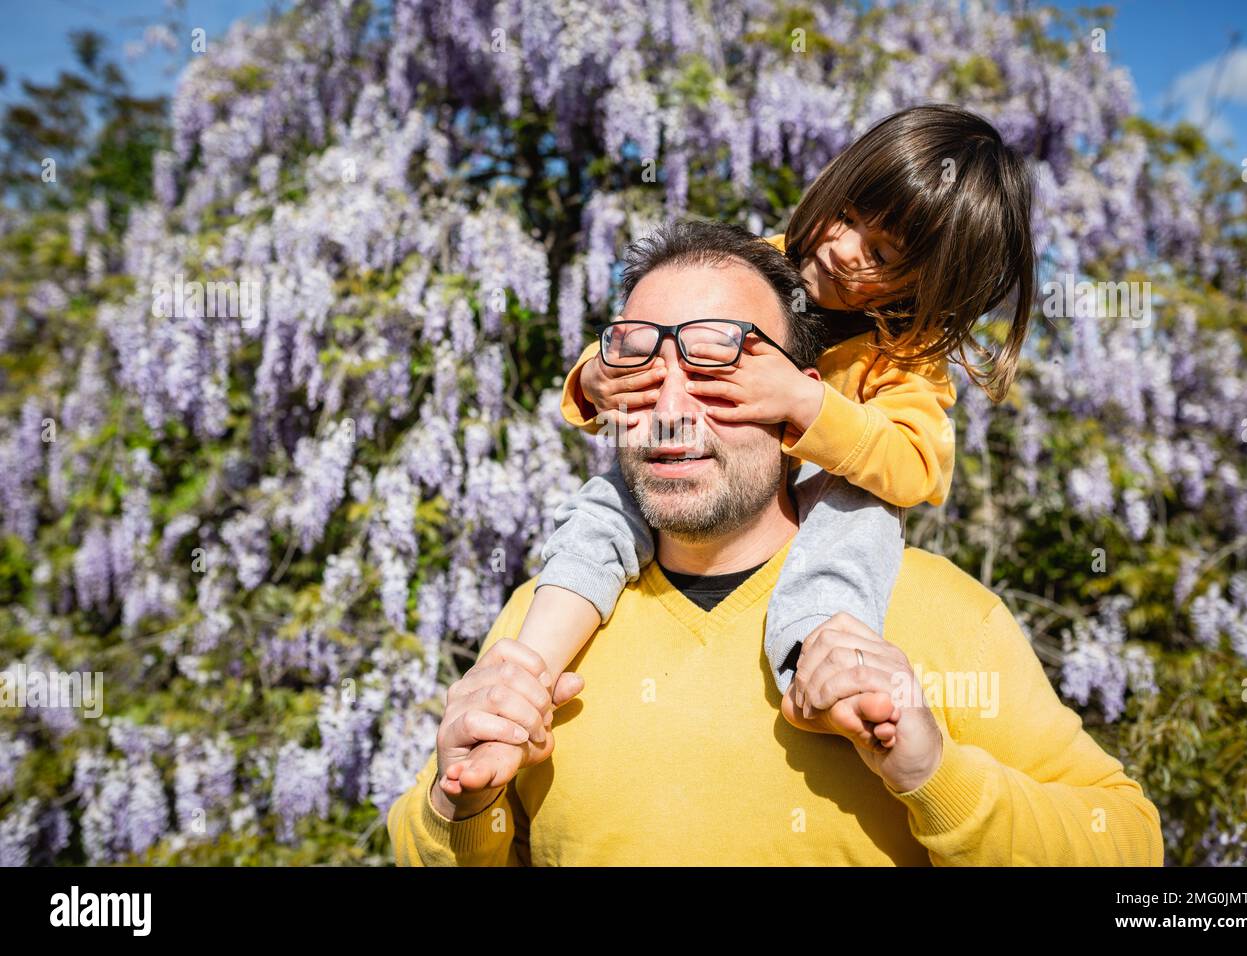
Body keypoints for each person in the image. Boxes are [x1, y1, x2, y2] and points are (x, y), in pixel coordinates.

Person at [386, 219, 1163, 866]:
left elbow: (1127, 846)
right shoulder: (543, 621)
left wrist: (933, 774)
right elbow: (440, 850)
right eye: (637, 369)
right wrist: (462, 800)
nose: (672, 410)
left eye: (720, 371)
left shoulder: (939, 614)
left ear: (801, 398)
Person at [452, 104, 1036, 789]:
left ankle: (819, 662)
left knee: (862, 509)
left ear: (927, 282)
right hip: (696, 476)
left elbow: (916, 467)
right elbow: (650, 334)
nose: (846, 250)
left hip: (806, 520)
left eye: (880, 255)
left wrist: (804, 403)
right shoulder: (754, 265)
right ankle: (524, 674)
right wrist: (595, 377)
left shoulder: (905, 355)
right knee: (606, 507)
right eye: (847, 216)